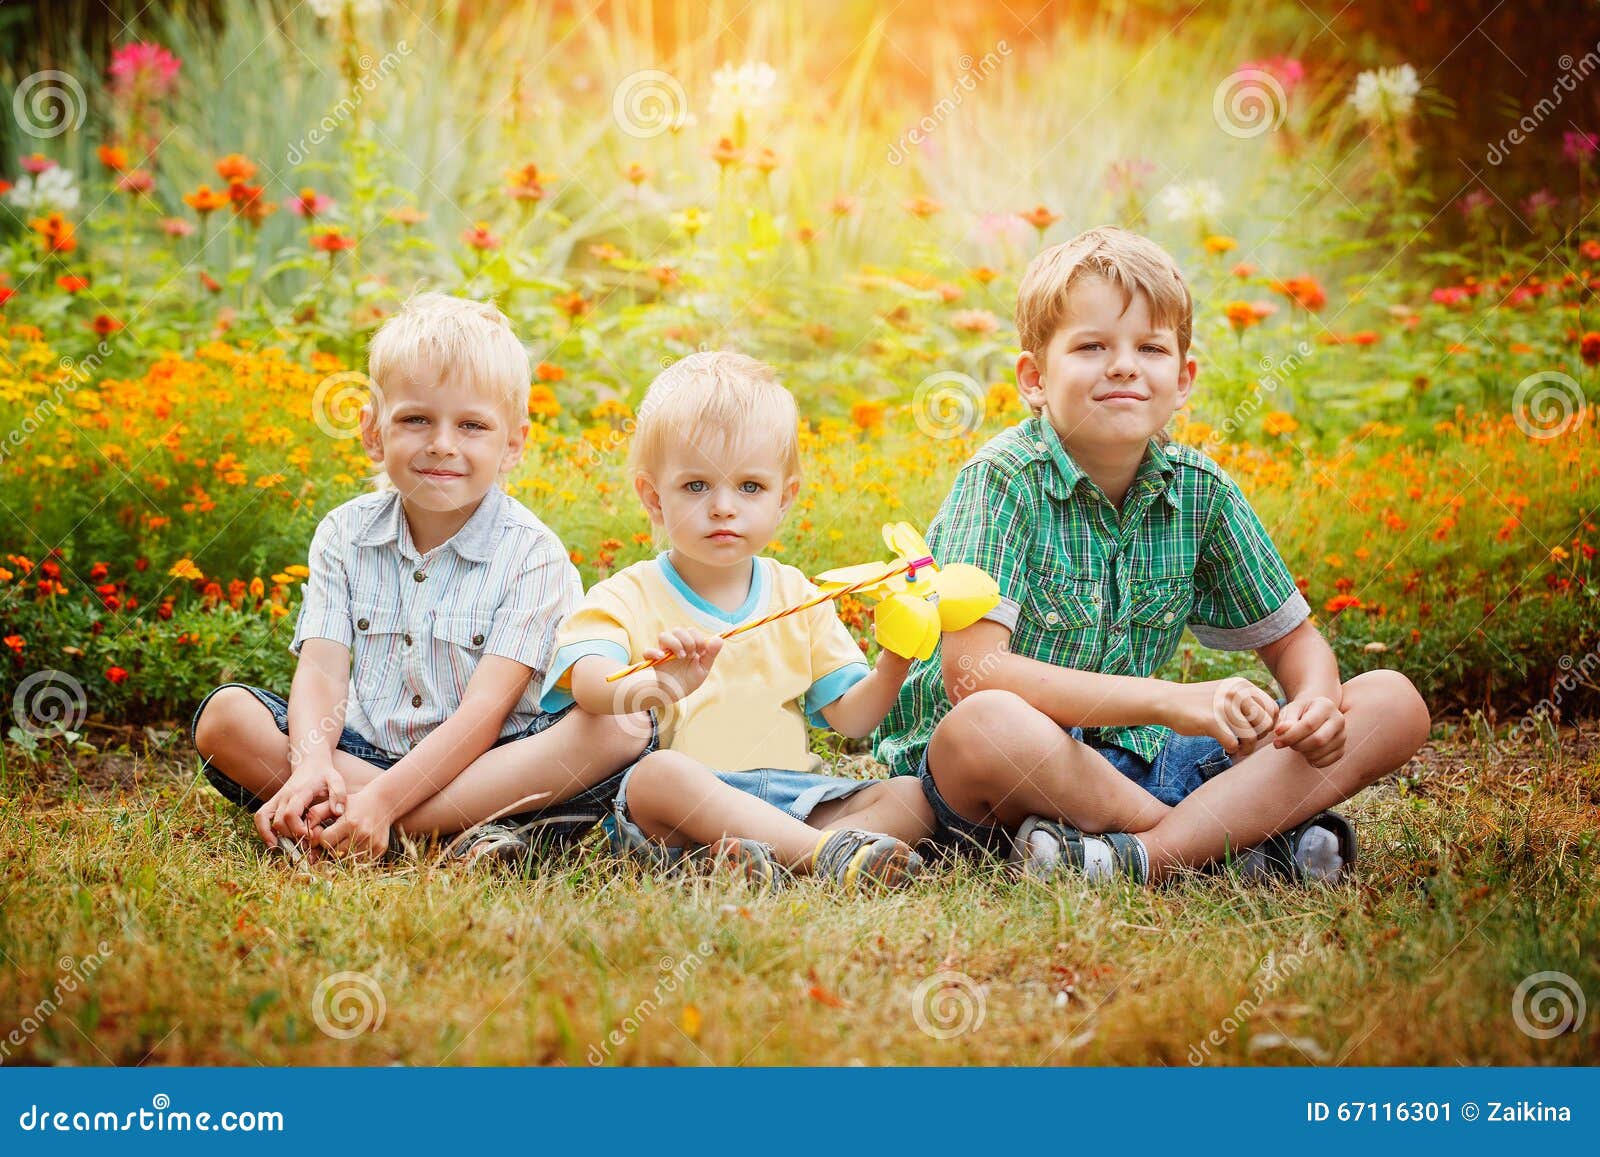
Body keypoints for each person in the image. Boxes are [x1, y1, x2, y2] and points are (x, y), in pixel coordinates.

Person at [875, 226, 1431, 884]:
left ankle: (1137, 857)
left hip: (1142, 760)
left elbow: (1296, 643)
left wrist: (1312, 702)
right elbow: (975, 669)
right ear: (1033, 378)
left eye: (1150, 347)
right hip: (1001, 772)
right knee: (987, 722)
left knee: (1392, 702)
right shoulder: (1002, 482)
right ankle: (1226, 844)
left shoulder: (1200, 492)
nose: (1123, 365)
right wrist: (1172, 700)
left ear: (1184, 377)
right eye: (1091, 346)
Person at [190, 293, 650, 866]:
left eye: (472, 425)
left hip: (495, 763)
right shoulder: (344, 533)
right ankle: (442, 832)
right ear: (373, 432)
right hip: (368, 751)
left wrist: (382, 802)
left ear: (512, 445)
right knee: (227, 719)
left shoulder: (534, 556)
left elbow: (485, 712)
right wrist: (312, 764)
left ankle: (377, 823)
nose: (442, 444)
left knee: (621, 724)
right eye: (415, 419)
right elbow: (322, 671)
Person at [540, 351, 934, 892]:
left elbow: (852, 721)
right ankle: (825, 856)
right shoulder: (625, 594)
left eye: (750, 487)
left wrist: (896, 657)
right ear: (653, 498)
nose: (724, 507)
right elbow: (588, 687)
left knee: (911, 797)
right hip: (685, 802)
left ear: (784, 498)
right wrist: (656, 683)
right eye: (696, 486)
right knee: (658, 777)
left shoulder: (798, 594)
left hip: (793, 795)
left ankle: (753, 858)